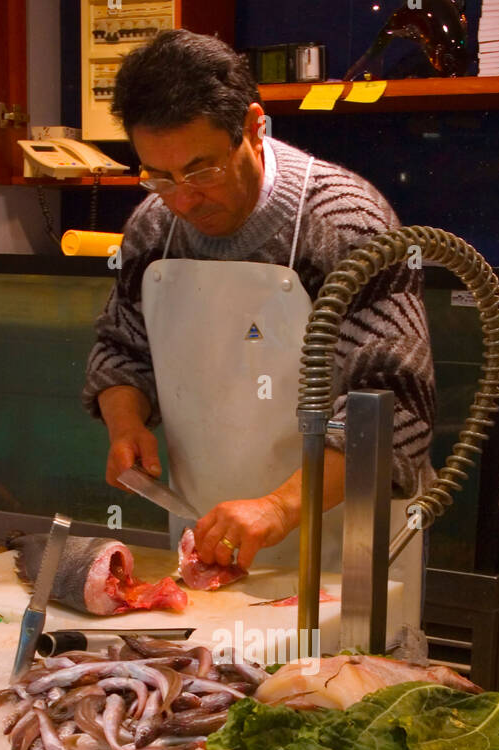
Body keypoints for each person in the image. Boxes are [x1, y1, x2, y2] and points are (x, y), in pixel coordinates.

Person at [83, 29, 435, 574]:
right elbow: (120, 349)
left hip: (347, 555)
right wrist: (125, 423)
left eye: (202, 171)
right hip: (206, 544)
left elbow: (395, 411)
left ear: (252, 126)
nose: (183, 198)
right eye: (159, 176)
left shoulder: (343, 222)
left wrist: (277, 506)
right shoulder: (153, 227)